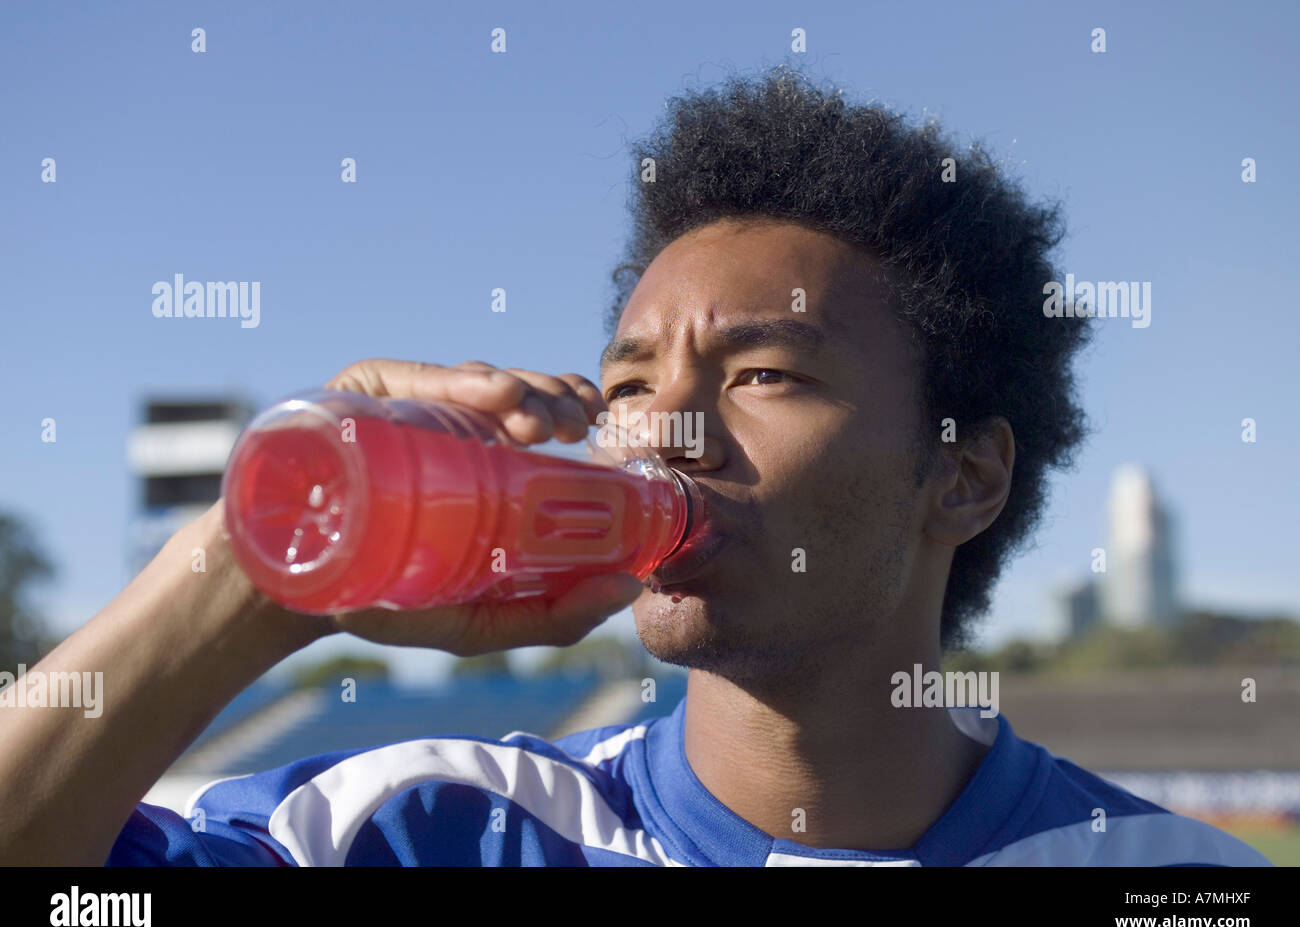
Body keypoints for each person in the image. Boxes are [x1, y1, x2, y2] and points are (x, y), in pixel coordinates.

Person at [0, 66, 1269, 866]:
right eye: (624, 383)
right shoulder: (418, 827)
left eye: (763, 373)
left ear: (964, 476)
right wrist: (254, 576)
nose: (663, 426)